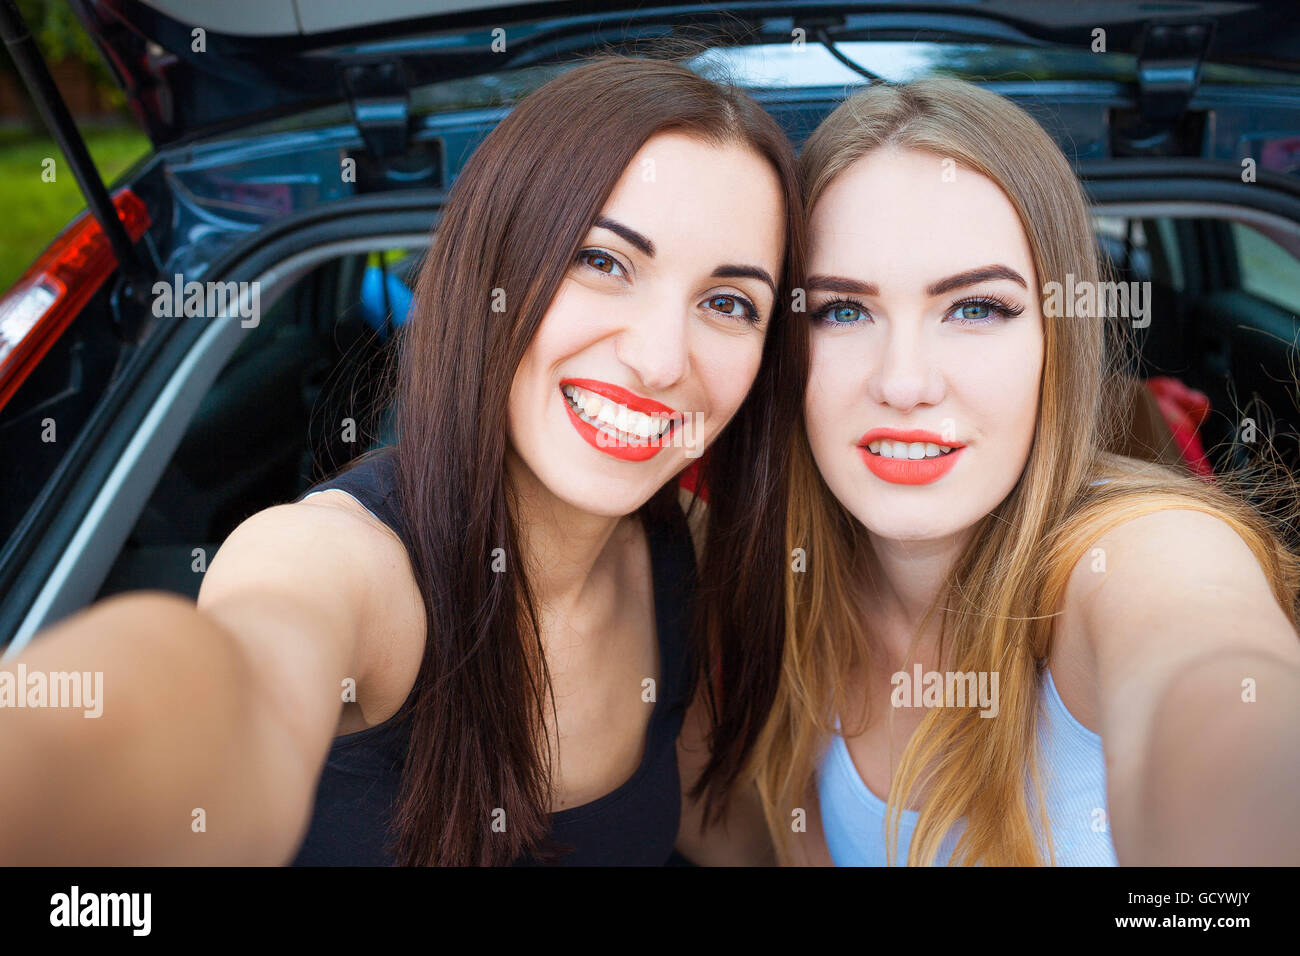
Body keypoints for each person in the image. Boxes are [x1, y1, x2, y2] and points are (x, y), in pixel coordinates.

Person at [0, 55, 806, 866]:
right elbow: (234, 680)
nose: (661, 359)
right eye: (601, 261)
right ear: (490, 265)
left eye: (728, 303)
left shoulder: (688, 544)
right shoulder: (339, 565)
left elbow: (712, 820)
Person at [748, 77, 1300, 866]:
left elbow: (1210, 675)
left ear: (1058, 340)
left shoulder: (1144, 552)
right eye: (842, 310)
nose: (904, 383)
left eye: (976, 308)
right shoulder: (773, 596)